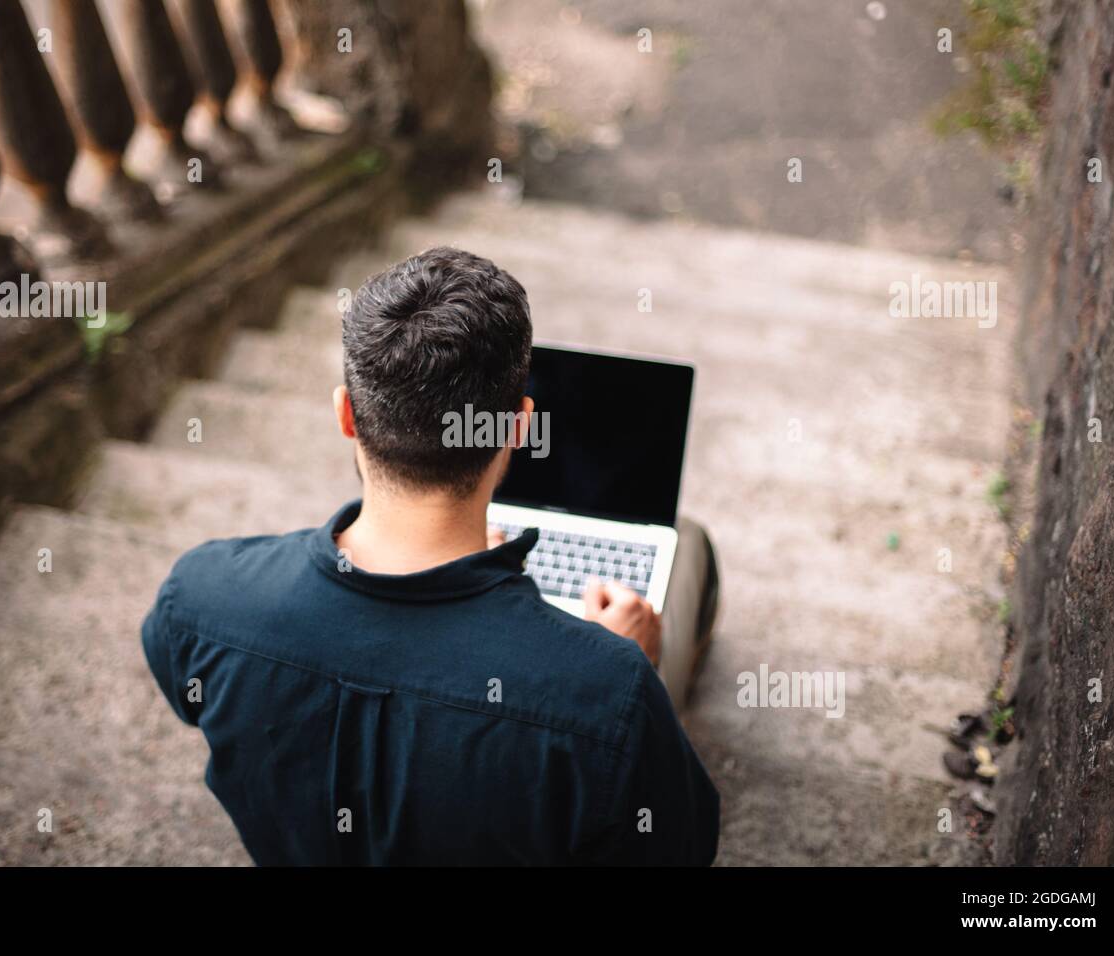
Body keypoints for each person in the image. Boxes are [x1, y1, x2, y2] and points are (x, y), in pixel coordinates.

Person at [141, 247, 720, 865]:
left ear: (345, 415)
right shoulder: (612, 693)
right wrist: (618, 662)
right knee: (690, 552)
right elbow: (682, 849)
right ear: (517, 429)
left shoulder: (201, 596)